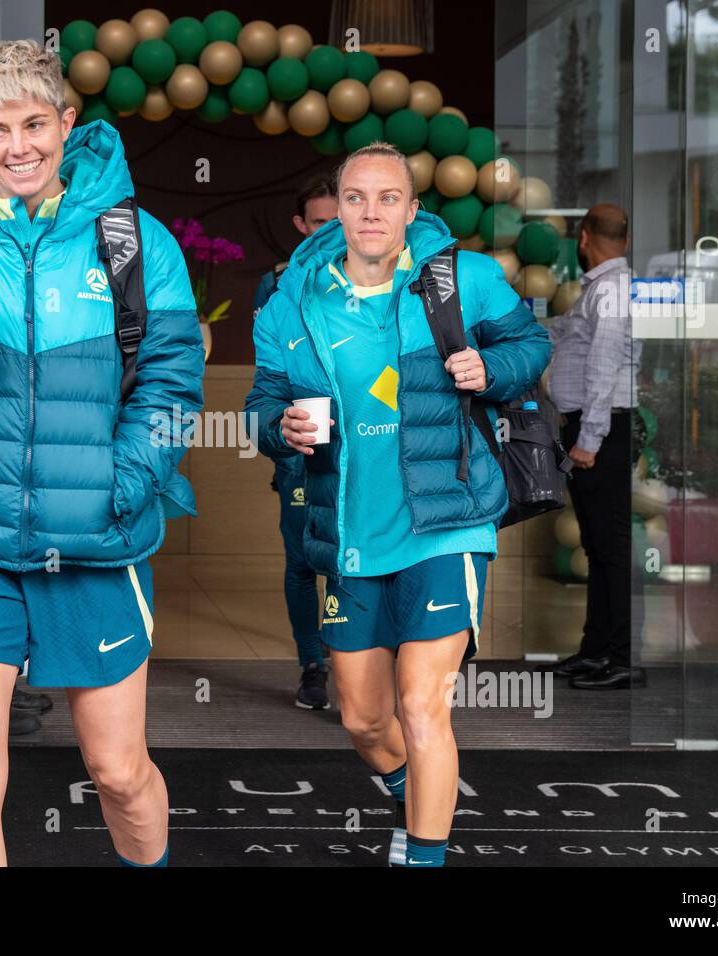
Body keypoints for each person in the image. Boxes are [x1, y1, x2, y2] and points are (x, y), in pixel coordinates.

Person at [0, 39, 203, 867]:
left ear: (66, 122)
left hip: (97, 542)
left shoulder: (134, 242)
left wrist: (118, 487)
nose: (17, 147)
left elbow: (172, 392)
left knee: (119, 772)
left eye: (33, 124)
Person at [245, 142, 550, 867]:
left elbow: (532, 344)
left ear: (413, 209)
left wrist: (494, 367)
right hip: (350, 532)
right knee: (361, 716)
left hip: (448, 523)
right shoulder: (292, 301)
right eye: (356, 198)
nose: (372, 212)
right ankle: (417, 794)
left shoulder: (463, 280)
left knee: (421, 704)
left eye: (388, 198)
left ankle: (423, 852)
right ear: (337, 208)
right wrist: (276, 428)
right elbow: (262, 401)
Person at [541, 204, 646, 690]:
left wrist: (589, 440)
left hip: (601, 432)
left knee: (610, 547)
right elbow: (568, 335)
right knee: (598, 546)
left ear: (583, 238)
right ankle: (596, 650)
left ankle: (620, 659)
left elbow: (603, 366)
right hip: (594, 430)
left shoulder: (612, 290)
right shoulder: (603, 291)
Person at [252, 173, 339, 710]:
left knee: (355, 563)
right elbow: (270, 381)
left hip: (367, 447)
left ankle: (364, 673)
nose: (332, 232)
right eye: (321, 223)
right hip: (304, 444)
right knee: (303, 561)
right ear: (300, 226)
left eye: (340, 221)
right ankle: (314, 666)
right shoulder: (278, 286)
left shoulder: (377, 279)